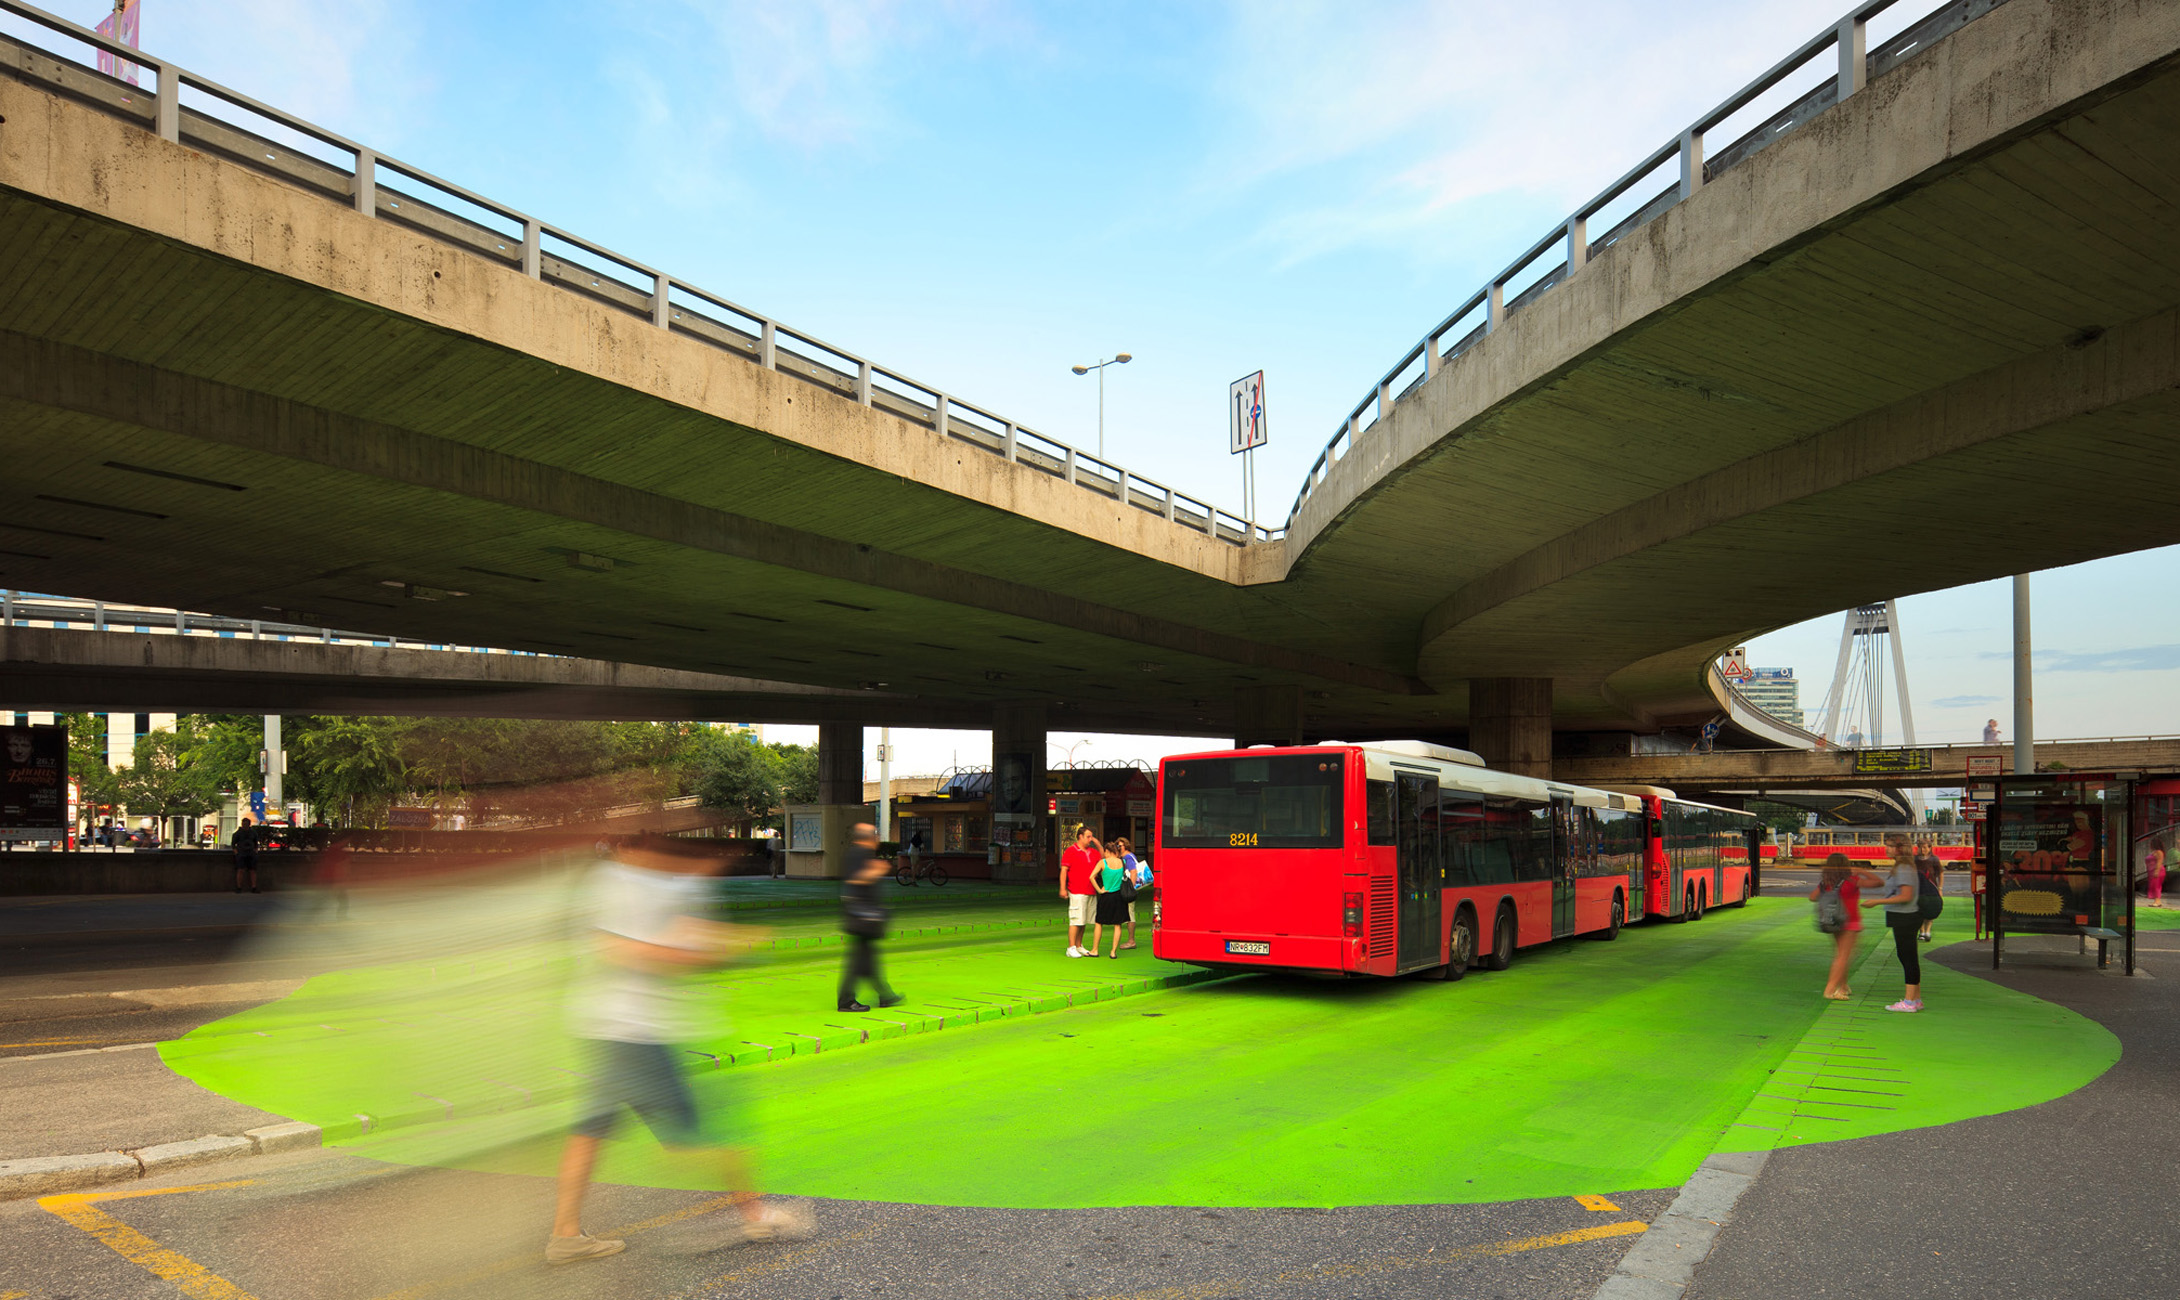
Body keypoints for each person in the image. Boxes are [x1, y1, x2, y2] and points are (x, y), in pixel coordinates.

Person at [549, 834, 809, 1264]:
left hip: (602, 1025)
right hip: (636, 1032)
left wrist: (717, 932)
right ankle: (754, 1215)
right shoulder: (622, 885)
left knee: (590, 1130)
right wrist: (705, 951)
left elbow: (683, 923)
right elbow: (625, 948)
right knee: (702, 1133)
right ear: (635, 850)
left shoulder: (622, 880)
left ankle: (565, 1234)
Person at [837, 823, 902, 1013]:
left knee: (867, 958)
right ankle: (846, 1001)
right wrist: (877, 870)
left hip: (864, 914)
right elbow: (855, 878)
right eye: (876, 835)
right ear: (870, 837)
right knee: (858, 961)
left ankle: (885, 995)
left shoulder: (861, 853)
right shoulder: (858, 853)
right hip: (862, 914)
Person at [1866, 834, 1925, 1012]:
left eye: (1890, 846)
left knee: (1907, 957)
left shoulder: (1903, 868)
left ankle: (1909, 1002)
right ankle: (1915, 999)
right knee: (1908, 956)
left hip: (1904, 916)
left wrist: (1877, 902)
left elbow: (1906, 896)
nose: (1886, 849)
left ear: (1899, 849)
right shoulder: (1903, 867)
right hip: (1905, 916)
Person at [1809, 853, 1880, 1000]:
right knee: (1843, 957)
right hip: (1850, 921)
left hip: (1833, 921)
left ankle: (1843, 986)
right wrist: (1861, 871)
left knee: (1841, 955)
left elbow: (1812, 897)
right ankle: (1830, 990)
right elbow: (1878, 883)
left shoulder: (1826, 883)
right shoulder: (1852, 881)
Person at [1088, 839, 1129, 959]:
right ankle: (1113, 952)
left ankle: (1095, 949)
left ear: (1107, 851)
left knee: (1099, 923)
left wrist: (1099, 890)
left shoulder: (1103, 862)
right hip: (1119, 896)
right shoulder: (1122, 862)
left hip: (1106, 895)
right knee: (1117, 925)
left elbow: (1091, 877)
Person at [1060, 825, 1097, 957]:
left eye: (1091, 837)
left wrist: (1097, 843)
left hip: (1091, 890)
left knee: (1084, 920)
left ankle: (1078, 945)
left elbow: (1105, 857)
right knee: (1076, 919)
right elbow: (1064, 870)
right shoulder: (1070, 851)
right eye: (1088, 837)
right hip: (1076, 890)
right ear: (1080, 836)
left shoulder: (1093, 852)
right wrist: (1063, 888)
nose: (1090, 839)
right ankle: (1071, 947)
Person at [1115, 837, 1151, 950]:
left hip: (1128, 889)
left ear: (1125, 846)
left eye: (1120, 846)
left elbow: (1133, 872)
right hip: (1129, 888)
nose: (1118, 848)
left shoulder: (1127, 857)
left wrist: (1131, 888)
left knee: (1130, 914)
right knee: (1129, 913)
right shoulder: (1129, 856)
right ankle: (1130, 940)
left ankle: (1131, 941)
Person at [1914, 841, 1945, 942]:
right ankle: (1922, 932)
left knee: (1931, 909)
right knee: (1919, 910)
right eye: (1920, 847)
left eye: (1925, 847)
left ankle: (1928, 932)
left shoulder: (1934, 859)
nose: (1923, 850)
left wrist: (1940, 888)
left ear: (1930, 848)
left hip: (1931, 888)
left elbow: (1940, 873)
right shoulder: (1915, 859)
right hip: (1918, 889)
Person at [231, 817, 261, 894]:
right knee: (240, 870)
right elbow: (233, 844)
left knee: (252, 870)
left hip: (251, 853)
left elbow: (256, 843)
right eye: (243, 824)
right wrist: (236, 852)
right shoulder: (238, 833)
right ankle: (239, 887)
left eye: (246, 824)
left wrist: (255, 851)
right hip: (241, 853)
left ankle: (253, 887)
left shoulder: (253, 833)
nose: (244, 825)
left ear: (249, 824)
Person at [2147, 838, 2167, 909]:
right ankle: (2156, 901)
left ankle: (2157, 901)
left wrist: (2156, 871)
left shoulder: (2159, 852)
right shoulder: (2154, 852)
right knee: (2154, 885)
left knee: (2156, 886)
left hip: (2158, 871)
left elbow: (2159, 862)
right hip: (2151, 871)